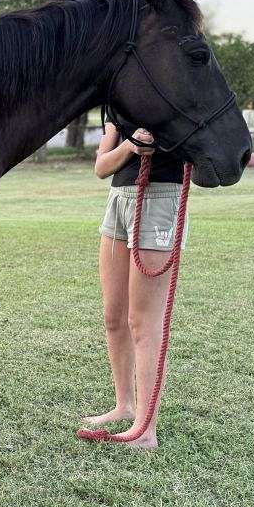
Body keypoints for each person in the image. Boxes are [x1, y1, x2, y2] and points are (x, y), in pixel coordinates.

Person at [82, 122, 187, 449]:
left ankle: (146, 429)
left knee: (144, 323)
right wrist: (130, 146)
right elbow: (101, 167)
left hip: (160, 198)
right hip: (118, 199)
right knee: (114, 317)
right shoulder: (119, 106)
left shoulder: (176, 101)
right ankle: (124, 406)